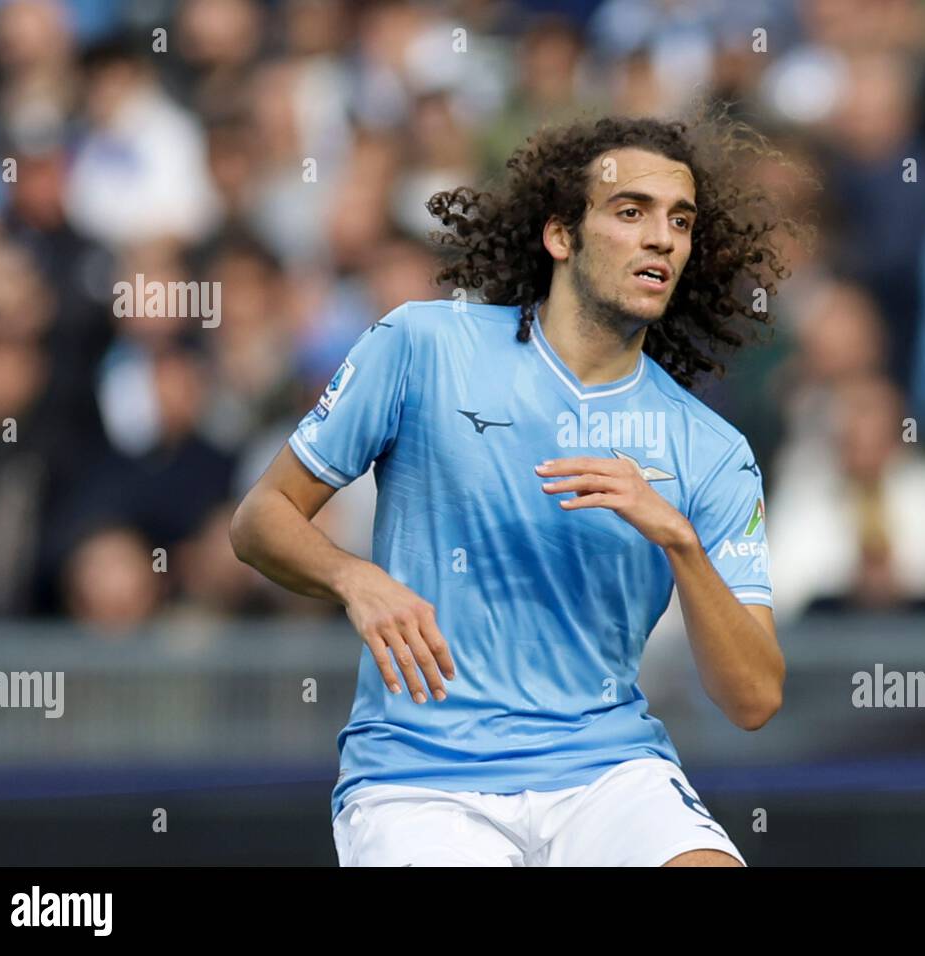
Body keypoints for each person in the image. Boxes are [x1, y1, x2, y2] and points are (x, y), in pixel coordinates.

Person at [230, 112, 800, 866]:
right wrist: (354, 577)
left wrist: (679, 541)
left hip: (607, 772)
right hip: (420, 778)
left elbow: (754, 699)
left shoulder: (710, 450)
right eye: (631, 212)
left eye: (680, 221)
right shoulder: (423, 345)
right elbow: (258, 519)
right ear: (561, 235)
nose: (662, 237)